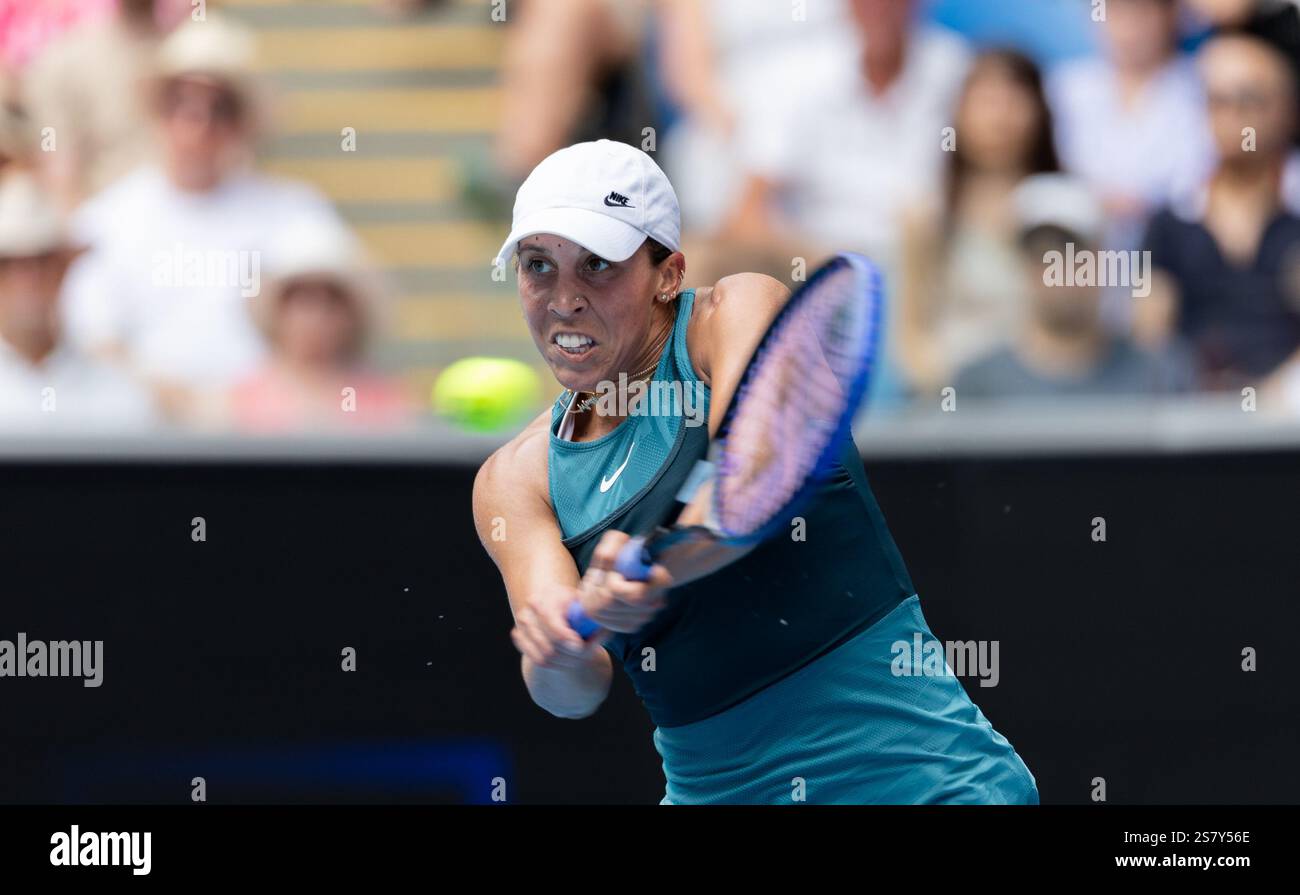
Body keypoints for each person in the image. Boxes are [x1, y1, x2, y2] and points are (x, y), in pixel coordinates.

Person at [472, 139, 1038, 805]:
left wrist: (658, 566)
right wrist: (564, 648)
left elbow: (752, 481)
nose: (563, 298)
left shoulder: (734, 313)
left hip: (924, 784)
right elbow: (570, 691)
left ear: (668, 272)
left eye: (597, 264)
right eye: (538, 266)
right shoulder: (515, 479)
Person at [58, 13, 349, 422]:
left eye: (219, 107)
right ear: (158, 110)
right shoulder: (107, 220)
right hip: (138, 441)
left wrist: (250, 401)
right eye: (181, 103)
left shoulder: (296, 213)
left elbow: (334, 327)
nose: (198, 123)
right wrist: (175, 402)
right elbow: (91, 340)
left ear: (243, 121)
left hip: (272, 440)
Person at [719, 0, 970, 271]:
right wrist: (828, 270)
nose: (881, 7)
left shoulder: (954, 68)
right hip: (817, 269)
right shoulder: (796, 74)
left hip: (931, 264)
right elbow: (745, 216)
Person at [1139, 34, 1300, 391]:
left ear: (1286, 110)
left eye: (1249, 99)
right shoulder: (1168, 223)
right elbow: (1150, 334)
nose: (1233, 116)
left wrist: (1274, 397)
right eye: (1217, 101)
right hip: (1190, 413)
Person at [898, 49, 1060, 396]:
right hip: (955, 395)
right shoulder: (927, 215)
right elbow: (912, 334)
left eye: (1014, 101)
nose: (999, 119)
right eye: (987, 102)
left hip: (1043, 395)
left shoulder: (1065, 209)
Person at [955, 174, 1192, 401]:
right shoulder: (977, 387)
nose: (1057, 271)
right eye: (1042, 255)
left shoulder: (1158, 378)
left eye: (1073, 252)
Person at [1048, 0, 1216, 242]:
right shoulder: (1064, 88)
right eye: (1115, 11)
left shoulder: (1201, 91)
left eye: (1142, 11)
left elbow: (1201, 189)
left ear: (1171, 15)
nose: (1129, 26)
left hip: (1171, 255)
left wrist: (1145, 209)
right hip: (1074, 258)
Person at [0, 172, 154, 430]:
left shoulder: (115, 395)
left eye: (43, 261)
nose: (28, 279)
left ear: (64, 270)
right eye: (8, 265)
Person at [225, 225, 412, 433]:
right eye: (302, 301)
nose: (316, 316)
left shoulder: (383, 399)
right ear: (278, 311)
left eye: (331, 302)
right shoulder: (239, 401)